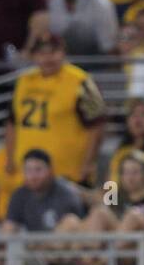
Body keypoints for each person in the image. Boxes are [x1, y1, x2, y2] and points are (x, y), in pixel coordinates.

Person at [6, 34, 106, 188]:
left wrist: (88, 163)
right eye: (42, 53)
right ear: (34, 56)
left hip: (68, 174)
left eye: (53, 52)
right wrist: (10, 158)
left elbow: (97, 126)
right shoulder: (23, 81)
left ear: (63, 53)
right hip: (28, 173)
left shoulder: (81, 81)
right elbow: (12, 123)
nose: (48, 58)